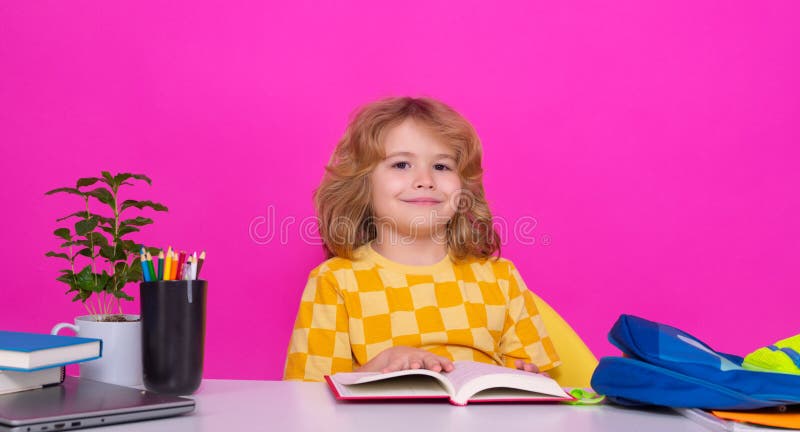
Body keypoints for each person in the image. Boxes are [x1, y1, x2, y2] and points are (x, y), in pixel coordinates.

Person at [284, 96, 560, 381]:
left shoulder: (502, 278)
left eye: (441, 167)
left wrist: (527, 379)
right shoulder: (335, 281)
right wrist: (377, 369)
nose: (425, 179)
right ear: (362, 184)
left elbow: (543, 385)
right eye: (402, 164)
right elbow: (308, 397)